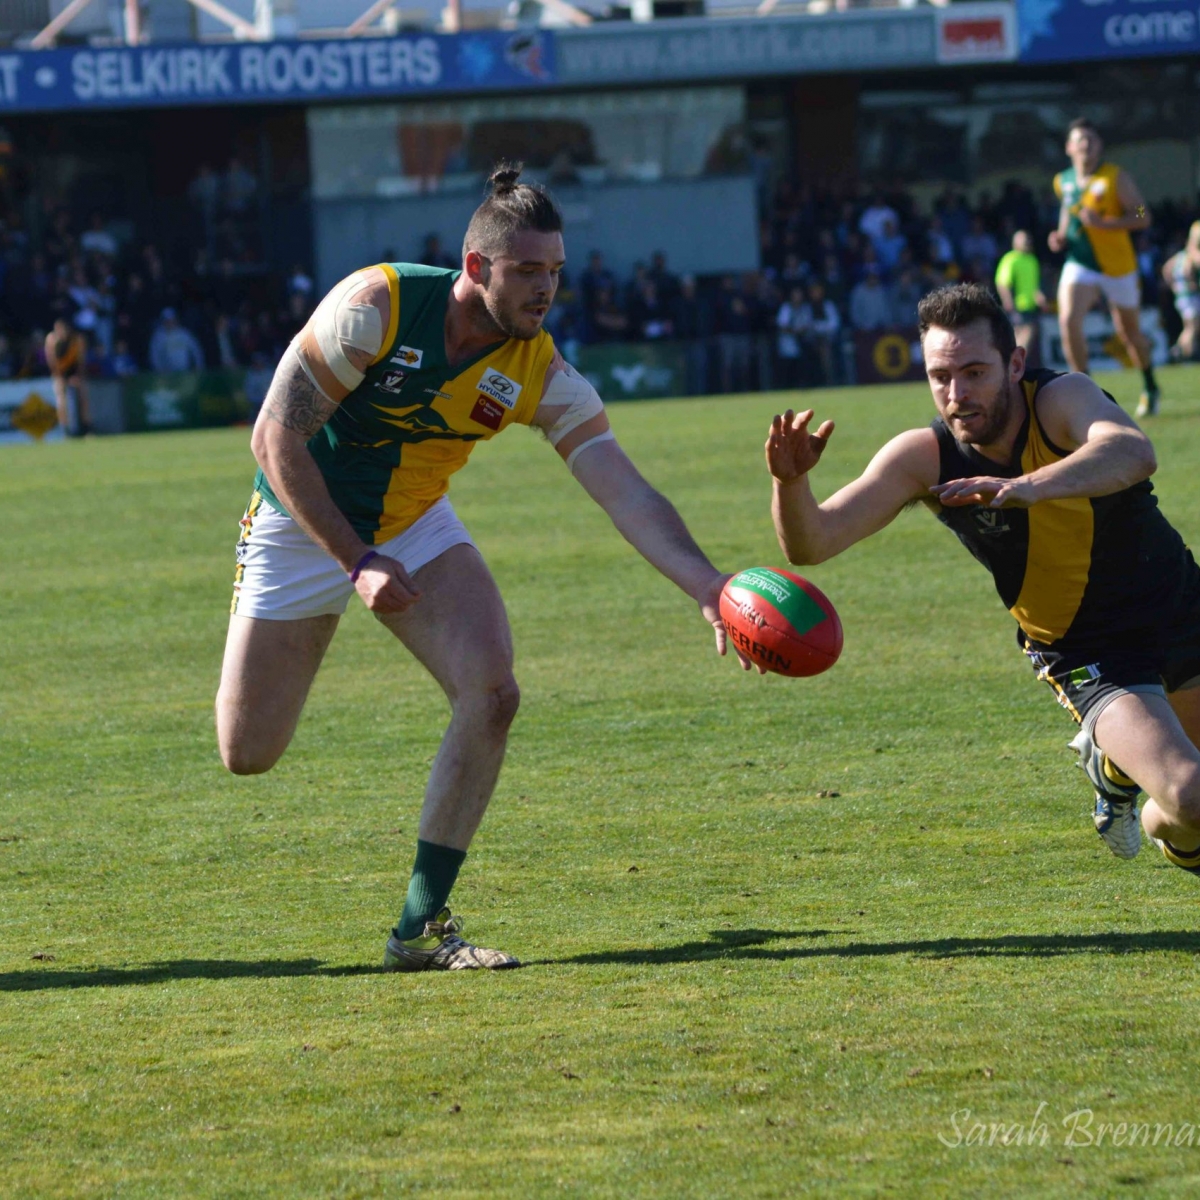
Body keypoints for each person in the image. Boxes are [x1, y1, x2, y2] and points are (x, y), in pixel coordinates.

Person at [215, 164, 742, 973]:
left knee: (493, 692)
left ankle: (419, 928)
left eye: (556, 272)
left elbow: (624, 490)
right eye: (528, 272)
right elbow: (273, 441)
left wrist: (709, 588)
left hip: (415, 522)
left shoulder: (539, 370)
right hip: (301, 522)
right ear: (475, 268)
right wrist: (356, 561)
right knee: (246, 751)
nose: (546, 290)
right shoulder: (375, 307)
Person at [765, 282, 1200, 876]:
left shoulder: (1060, 399)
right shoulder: (926, 458)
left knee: (1189, 810)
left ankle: (1121, 776)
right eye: (940, 376)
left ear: (1014, 363)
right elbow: (811, 543)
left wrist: (1025, 488)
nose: (956, 394)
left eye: (974, 372)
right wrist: (791, 485)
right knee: (1191, 792)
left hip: (1181, 606)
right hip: (1088, 651)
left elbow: (1131, 451)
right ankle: (1125, 768)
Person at [1048, 118, 1160, 416]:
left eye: (1091, 140)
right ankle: (1085, 392)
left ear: (1099, 147)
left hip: (1117, 265)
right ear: (1069, 147)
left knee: (1129, 333)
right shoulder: (1063, 181)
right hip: (1081, 261)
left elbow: (1141, 213)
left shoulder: (1115, 178)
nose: (1086, 145)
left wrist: (1108, 223)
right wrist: (1060, 235)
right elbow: (1067, 211)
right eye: (1080, 139)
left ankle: (1150, 385)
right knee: (1068, 319)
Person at [994, 230, 1046, 358]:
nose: (1027, 242)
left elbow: (1034, 286)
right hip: (1017, 307)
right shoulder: (1011, 259)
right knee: (1023, 336)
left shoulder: (1032, 260)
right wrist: (1008, 302)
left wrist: (1040, 298)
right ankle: (1014, 364)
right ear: (1015, 242)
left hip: (1031, 307)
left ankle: (1015, 366)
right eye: (1023, 239)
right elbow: (1002, 283)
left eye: (1028, 239)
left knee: (1026, 337)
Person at [44, 318, 90, 436]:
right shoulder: (51, 340)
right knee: (61, 398)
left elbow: (80, 360)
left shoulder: (76, 339)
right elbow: (52, 362)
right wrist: (61, 378)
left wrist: (77, 376)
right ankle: (65, 429)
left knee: (83, 395)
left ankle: (87, 428)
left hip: (74, 372)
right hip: (60, 374)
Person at [1162, 222, 1200, 363]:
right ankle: (1180, 352)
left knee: (1190, 326)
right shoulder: (1191, 257)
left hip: (1180, 297)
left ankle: (1183, 351)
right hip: (1190, 297)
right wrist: (1192, 284)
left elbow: (1166, 270)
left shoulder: (1178, 256)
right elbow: (1187, 272)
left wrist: (1173, 286)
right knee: (1192, 327)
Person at [149, 308, 205, 373]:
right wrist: (159, 370)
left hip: (186, 372)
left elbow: (196, 351)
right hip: (167, 374)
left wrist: (199, 366)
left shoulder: (185, 334)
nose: (170, 323)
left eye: (172, 320)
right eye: (167, 321)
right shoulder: (158, 337)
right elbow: (154, 356)